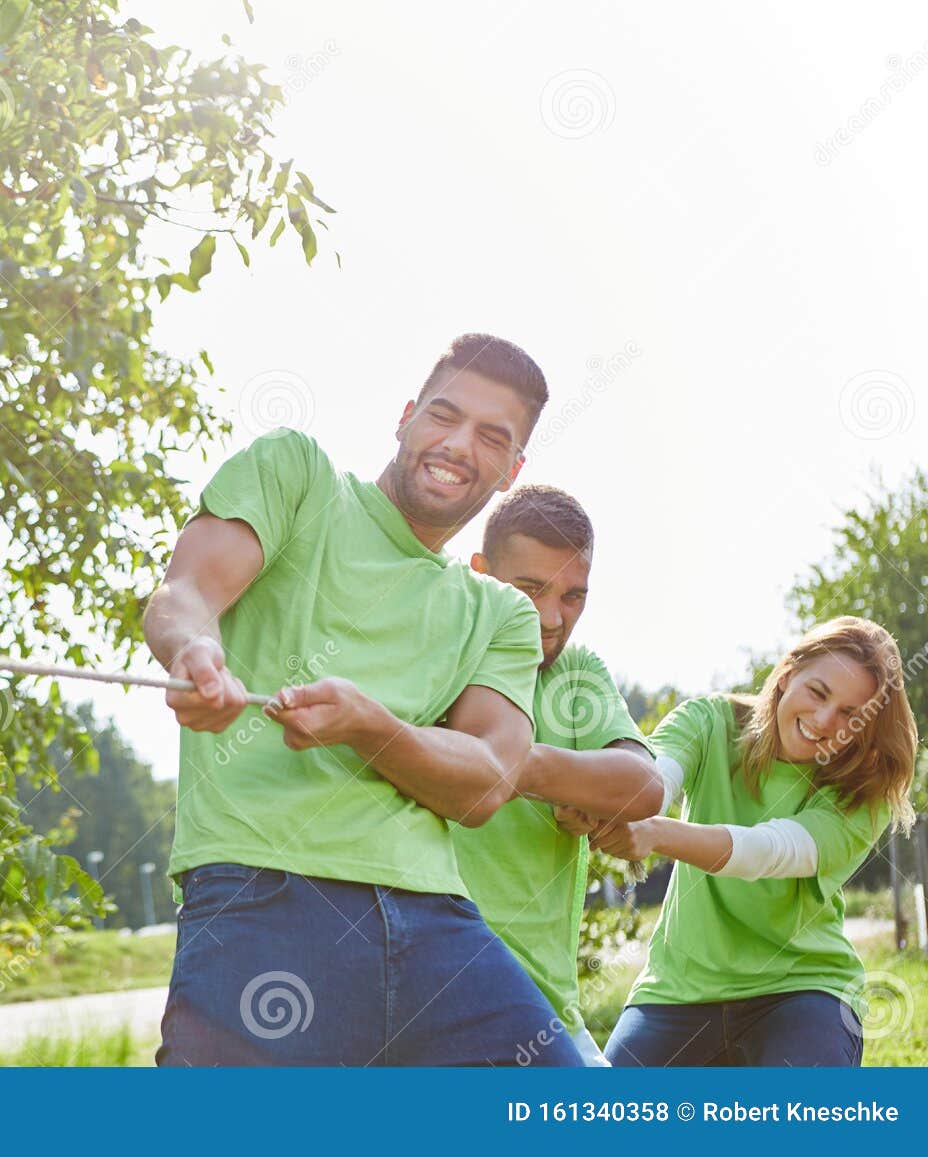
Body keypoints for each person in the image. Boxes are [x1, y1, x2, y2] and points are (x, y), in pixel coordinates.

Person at [144, 333, 591, 1066]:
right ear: (407, 416)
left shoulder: (499, 611)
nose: (456, 445)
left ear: (512, 469)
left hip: (438, 922)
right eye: (444, 415)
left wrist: (370, 727)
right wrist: (194, 648)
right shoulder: (296, 475)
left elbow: (486, 780)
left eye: (490, 437)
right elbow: (185, 592)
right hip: (262, 890)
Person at [589, 617, 917, 1066]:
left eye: (850, 715)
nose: (825, 722)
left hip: (802, 988)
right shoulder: (709, 722)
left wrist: (656, 833)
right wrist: (612, 803)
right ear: (786, 676)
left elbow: (769, 850)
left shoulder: (865, 791)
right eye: (818, 693)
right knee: (604, 1123)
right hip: (679, 989)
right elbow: (653, 779)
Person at [450, 485, 661, 1066]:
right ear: (480, 571)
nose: (550, 617)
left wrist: (513, 767)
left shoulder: (576, 672)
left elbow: (642, 785)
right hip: (429, 992)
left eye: (573, 595)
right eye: (529, 590)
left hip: (544, 1005)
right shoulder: (440, 649)